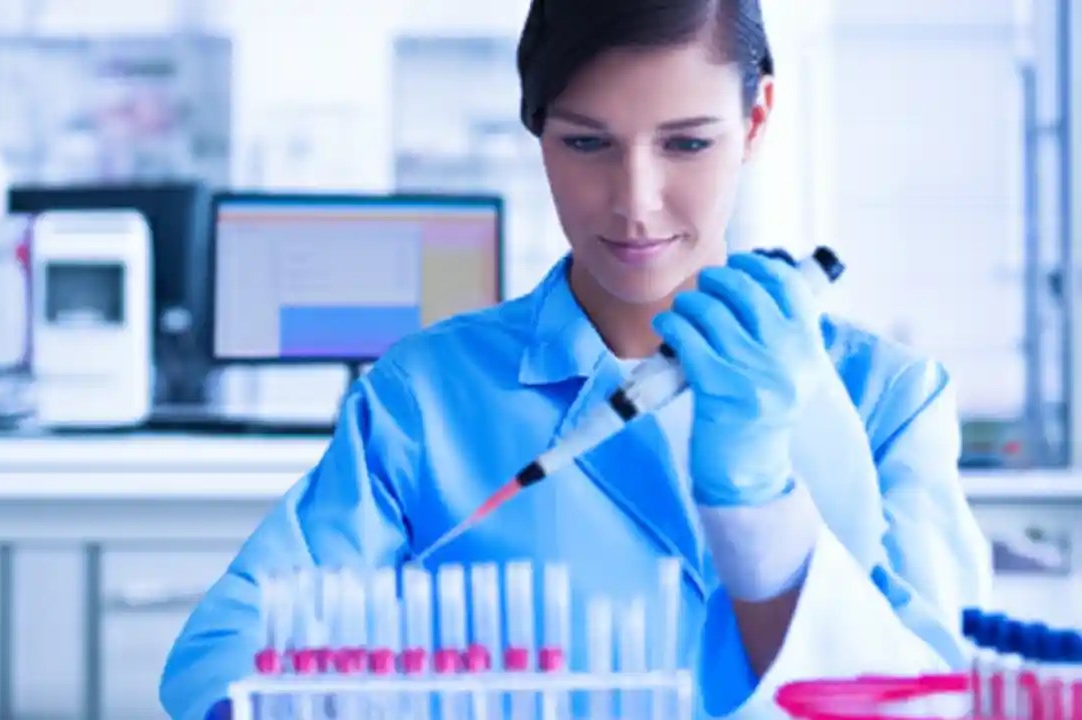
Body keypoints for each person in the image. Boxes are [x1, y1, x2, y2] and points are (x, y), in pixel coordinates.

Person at [161, 0, 993, 717]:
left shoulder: (884, 398)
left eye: (687, 145)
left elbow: (941, 701)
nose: (635, 203)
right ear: (539, 133)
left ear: (756, 120)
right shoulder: (429, 397)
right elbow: (228, 645)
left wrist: (761, 503)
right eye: (588, 144)